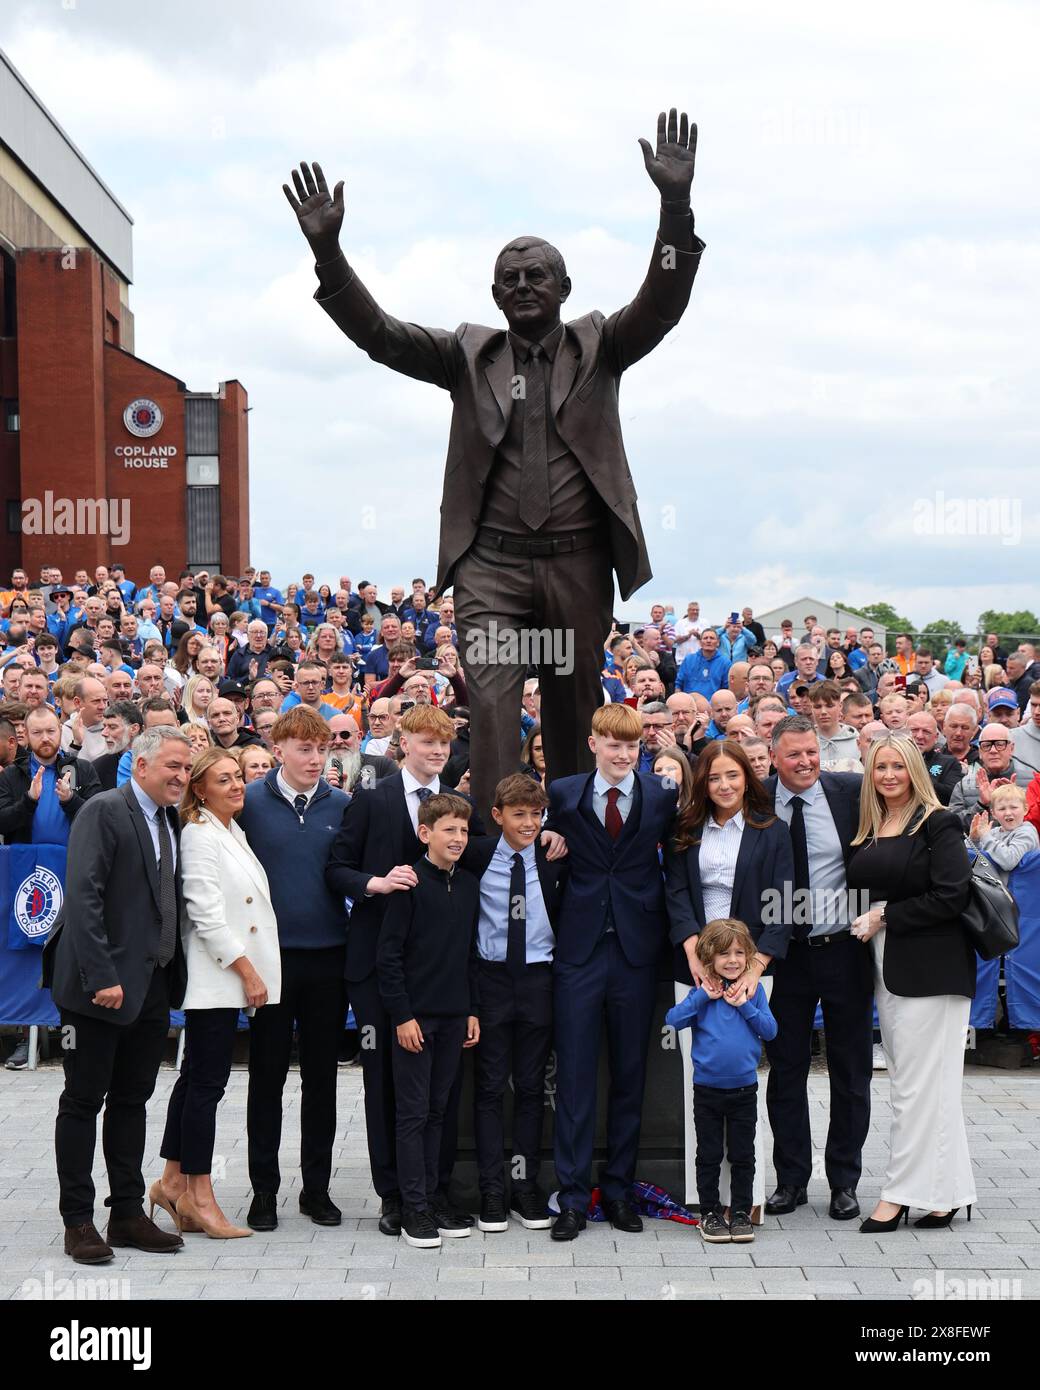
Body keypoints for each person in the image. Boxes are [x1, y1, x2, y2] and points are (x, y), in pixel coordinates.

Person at [287, 112, 704, 823]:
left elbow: (662, 307)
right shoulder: (466, 356)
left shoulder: (600, 346)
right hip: (492, 568)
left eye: (535, 274)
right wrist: (330, 256)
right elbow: (380, 336)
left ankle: (573, 845)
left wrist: (673, 208)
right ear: (493, 295)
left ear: (564, 287)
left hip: (576, 562)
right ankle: (490, 851)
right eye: (507, 278)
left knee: (575, 714)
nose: (521, 285)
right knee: (489, 706)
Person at [325, 705, 489, 1235]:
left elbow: (484, 854)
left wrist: (546, 841)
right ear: (404, 744)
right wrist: (377, 882)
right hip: (379, 964)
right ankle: (394, 1195)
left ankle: (432, 1191)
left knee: (433, 1093)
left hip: (439, 969)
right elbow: (337, 869)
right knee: (386, 1085)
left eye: (444, 744)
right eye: (426, 742)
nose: (436, 751)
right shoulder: (371, 801)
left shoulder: (460, 806)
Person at [43, 727, 194, 1264]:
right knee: (84, 1101)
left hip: (151, 984)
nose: (181, 776)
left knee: (132, 1101)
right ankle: (78, 1221)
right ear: (142, 764)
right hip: (97, 990)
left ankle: (127, 1212)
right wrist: (102, 975)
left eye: (186, 768)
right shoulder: (105, 810)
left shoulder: (169, 818)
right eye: (172, 766)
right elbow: (84, 896)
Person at [545, 703, 678, 1241]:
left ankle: (619, 1191)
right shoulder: (563, 794)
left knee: (630, 1075)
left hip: (636, 951)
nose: (623, 754)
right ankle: (572, 1198)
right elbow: (532, 840)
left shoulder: (661, 796)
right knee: (575, 1078)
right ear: (594, 742)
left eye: (632, 746)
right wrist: (547, 840)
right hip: (576, 950)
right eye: (613, 744)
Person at [847, 735, 975, 1230]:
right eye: (880, 767)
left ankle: (899, 1193)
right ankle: (947, 1193)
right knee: (928, 1087)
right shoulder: (876, 822)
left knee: (914, 1089)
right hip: (890, 968)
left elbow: (951, 896)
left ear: (916, 770)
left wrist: (885, 917)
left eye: (899, 766)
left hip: (932, 971)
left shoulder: (938, 822)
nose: (889, 776)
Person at [663, 739, 794, 1221]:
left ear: (748, 778)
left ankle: (748, 1200)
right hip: (695, 966)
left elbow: (784, 902)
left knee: (743, 1080)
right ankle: (706, 1204)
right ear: (703, 782)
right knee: (699, 1080)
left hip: (752, 967)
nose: (724, 785)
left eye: (732, 776)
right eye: (714, 777)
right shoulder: (686, 827)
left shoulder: (772, 830)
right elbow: (675, 892)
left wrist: (755, 969)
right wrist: (692, 951)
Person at [153, 748, 280, 1239]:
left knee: (194, 1081)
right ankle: (199, 1197)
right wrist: (248, 972)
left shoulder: (231, 831)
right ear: (199, 789)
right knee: (206, 1086)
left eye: (238, 777)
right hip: (217, 978)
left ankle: (169, 1182)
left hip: (224, 977)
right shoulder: (201, 833)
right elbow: (205, 912)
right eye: (222, 779)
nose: (235, 785)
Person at [235, 706, 351, 1231]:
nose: (315, 758)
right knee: (266, 1079)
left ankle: (317, 1189)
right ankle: (264, 1192)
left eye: (322, 748)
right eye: (305, 749)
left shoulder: (343, 804)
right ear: (278, 750)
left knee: (322, 1081)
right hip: (270, 962)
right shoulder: (249, 803)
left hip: (328, 959)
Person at [761, 715, 870, 1221]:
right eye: (794, 755)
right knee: (786, 1071)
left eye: (812, 753)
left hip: (844, 950)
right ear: (774, 754)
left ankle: (845, 1180)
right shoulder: (755, 798)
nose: (805, 762)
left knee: (851, 1070)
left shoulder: (850, 791)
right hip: (784, 958)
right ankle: (791, 1180)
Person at [462, 774, 568, 1232]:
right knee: (487, 1088)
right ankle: (491, 1190)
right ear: (497, 816)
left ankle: (524, 1187)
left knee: (530, 1088)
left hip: (539, 980)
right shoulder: (476, 855)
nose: (529, 823)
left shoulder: (553, 855)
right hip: (490, 981)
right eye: (519, 814)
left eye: (537, 814)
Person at [376, 793, 481, 1248]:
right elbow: (389, 957)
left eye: (463, 830)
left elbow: (471, 954)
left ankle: (436, 1197)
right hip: (415, 1021)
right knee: (413, 1115)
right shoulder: (408, 885)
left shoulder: (470, 884)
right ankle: (413, 1209)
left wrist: (471, 1008)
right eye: (448, 830)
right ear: (425, 834)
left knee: (440, 1113)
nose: (458, 838)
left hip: (455, 1016)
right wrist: (403, 1016)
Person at [665, 918, 778, 1243]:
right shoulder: (703, 994)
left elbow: (770, 1031)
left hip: (744, 1090)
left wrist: (745, 1007)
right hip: (707, 1091)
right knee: (709, 1154)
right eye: (724, 954)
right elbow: (673, 1020)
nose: (732, 960)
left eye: (740, 953)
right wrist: (701, 997)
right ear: (709, 957)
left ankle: (740, 1212)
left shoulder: (751, 993)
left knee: (743, 1155)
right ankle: (710, 1213)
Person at [0, 705, 101, 841]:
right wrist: (29, 800)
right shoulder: (11, 774)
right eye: (37, 732)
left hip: (72, 859)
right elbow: (3, 824)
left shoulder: (82, 769)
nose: (45, 738)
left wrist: (71, 800)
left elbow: (98, 819)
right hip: (25, 858)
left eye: (51, 731)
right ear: (26, 734)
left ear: (60, 730)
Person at [968, 785, 1039, 885]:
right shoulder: (993, 832)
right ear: (994, 814)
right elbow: (969, 858)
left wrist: (985, 837)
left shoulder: (1026, 832)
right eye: (1001, 809)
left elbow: (1009, 862)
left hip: (1018, 895)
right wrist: (974, 839)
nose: (1008, 813)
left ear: (1025, 809)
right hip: (994, 891)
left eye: (1014, 807)